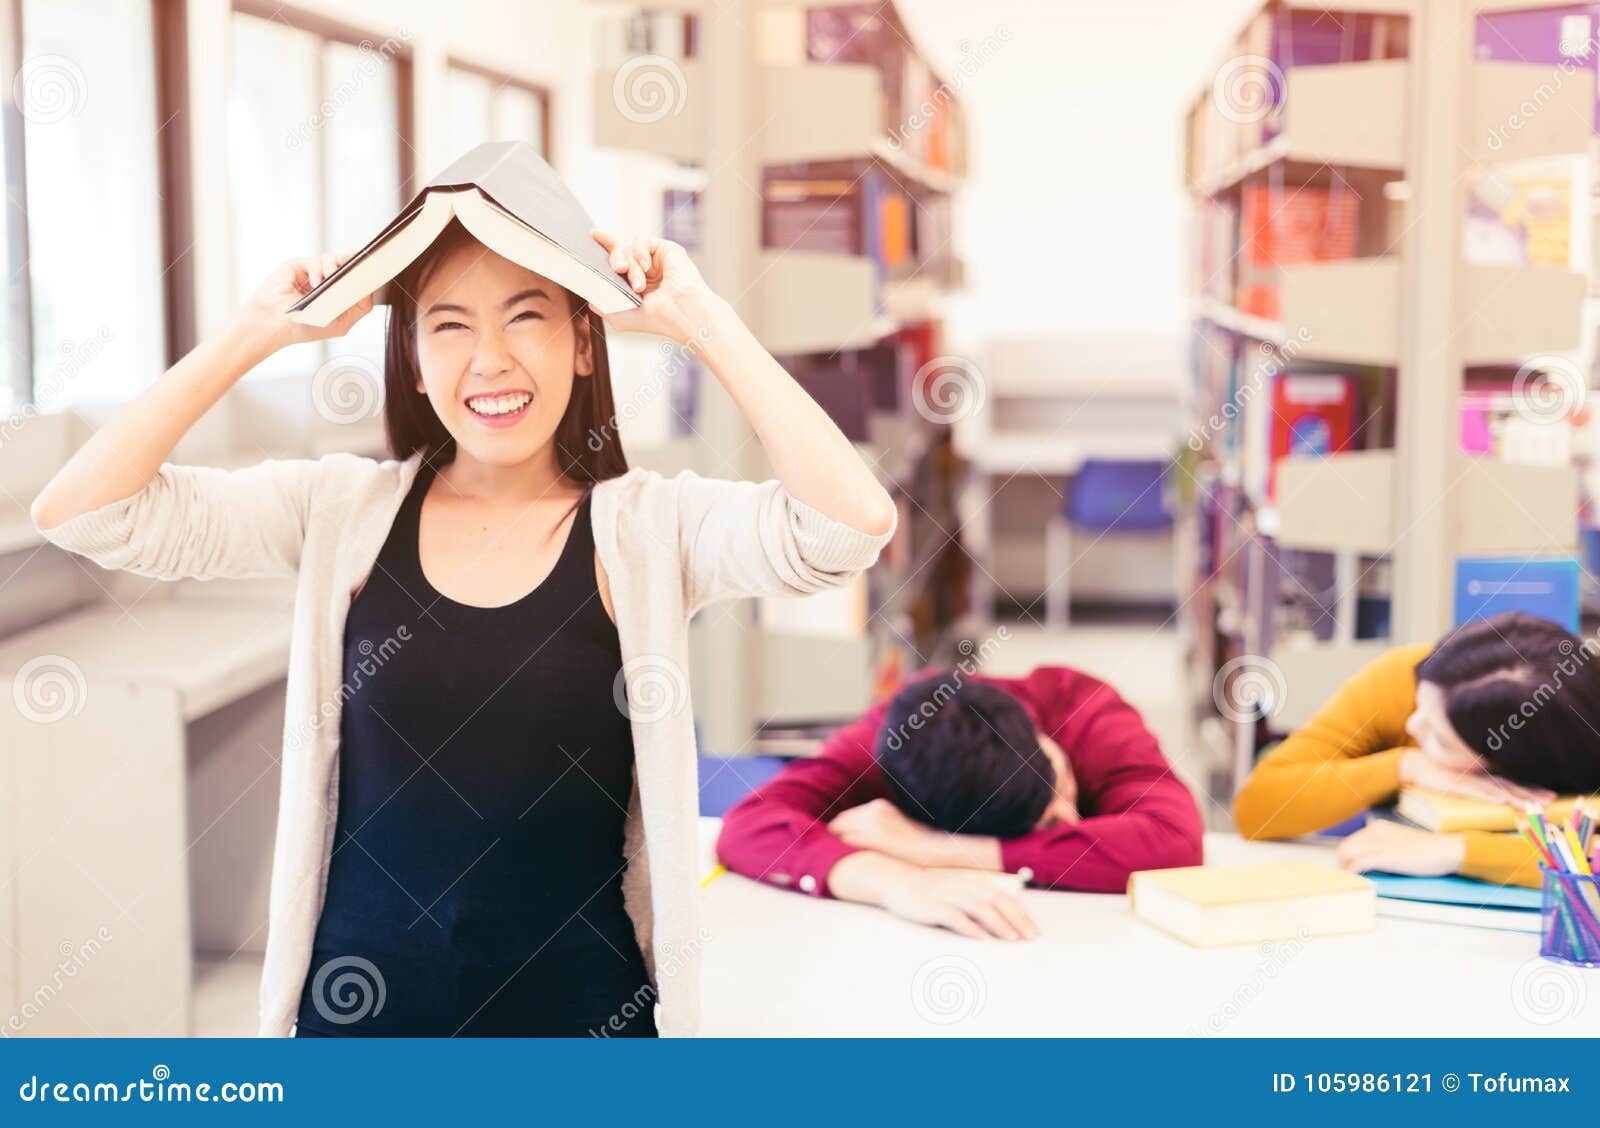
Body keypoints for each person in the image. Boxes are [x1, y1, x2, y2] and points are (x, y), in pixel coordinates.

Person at [31, 210, 896, 1036]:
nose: (491, 360)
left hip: (580, 1024)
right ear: (410, 359)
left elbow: (846, 526)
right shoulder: (340, 509)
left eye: (527, 317)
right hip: (359, 1022)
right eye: (448, 326)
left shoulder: (648, 529)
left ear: (585, 342)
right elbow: (86, 512)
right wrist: (254, 333)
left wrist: (703, 321)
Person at [716, 666, 1204, 938]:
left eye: (1062, 789)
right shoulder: (894, 745)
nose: (1073, 821)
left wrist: (941, 851)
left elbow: (1176, 841)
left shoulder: (1084, 708)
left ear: (1040, 736)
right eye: (1049, 822)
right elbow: (747, 825)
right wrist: (895, 883)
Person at [1233, 612, 1600, 888]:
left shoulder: (1573, 737)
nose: (1413, 726)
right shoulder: (1401, 680)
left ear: (1511, 763)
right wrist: (1405, 765)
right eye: (1420, 705)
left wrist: (1459, 851)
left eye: (1440, 740)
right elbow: (1257, 808)